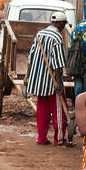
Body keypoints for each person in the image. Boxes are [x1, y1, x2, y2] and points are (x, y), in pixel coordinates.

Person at [26, 11, 70, 145]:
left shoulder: (40, 34)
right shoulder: (57, 37)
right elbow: (57, 63)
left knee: (42, 110)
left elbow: (30, 57)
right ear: (61, 23)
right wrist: (58, 83)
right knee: (59, 111)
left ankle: (41, 137)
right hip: (51, 81)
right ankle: (60, 139)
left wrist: (28, 76)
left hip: (38, 80)